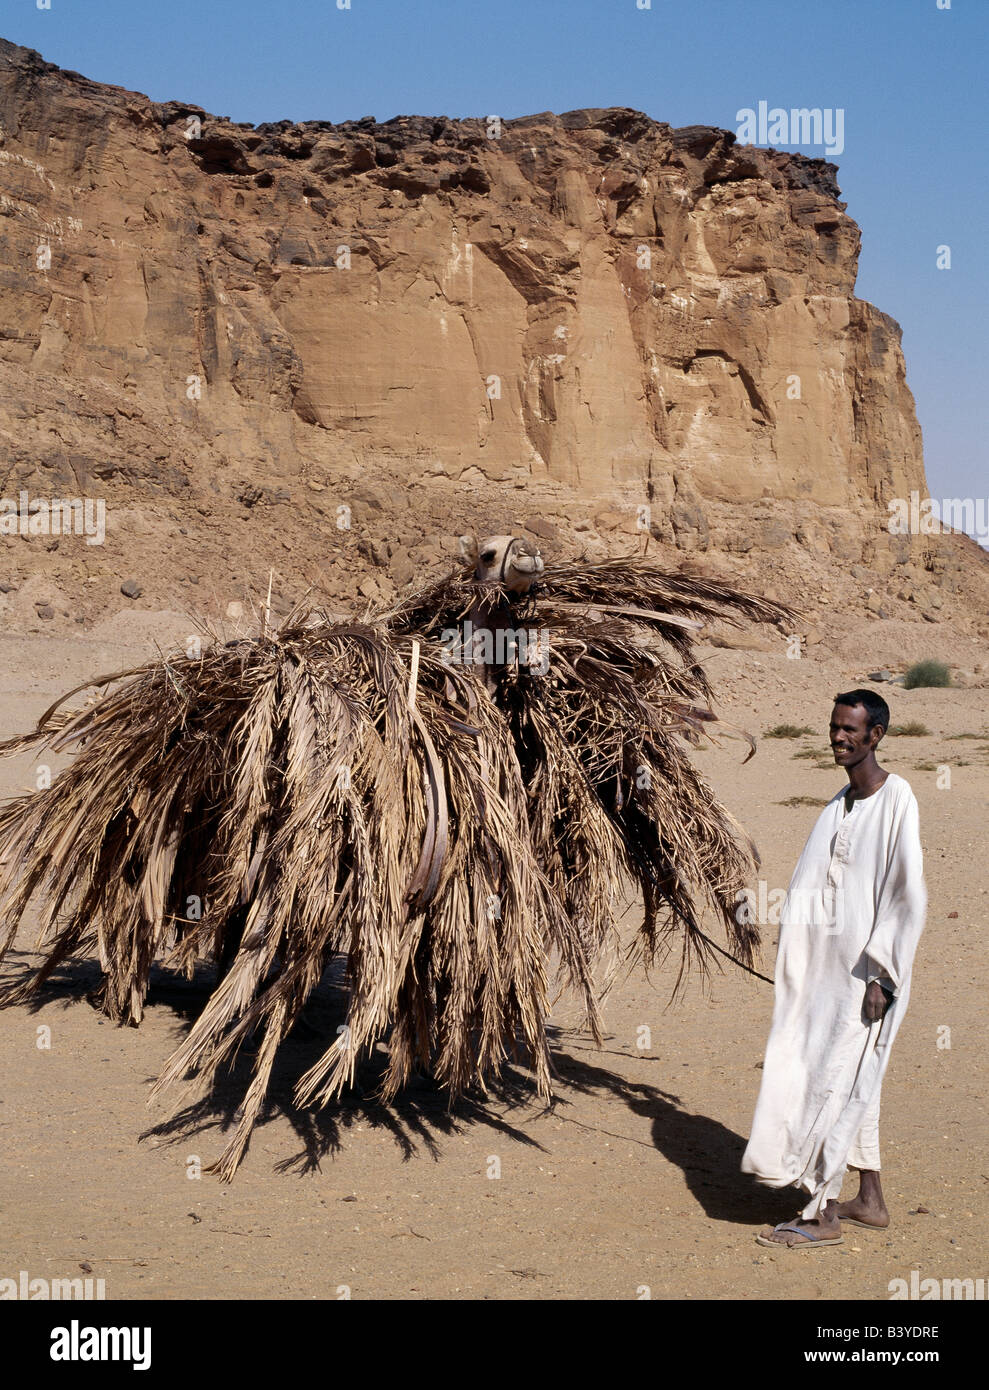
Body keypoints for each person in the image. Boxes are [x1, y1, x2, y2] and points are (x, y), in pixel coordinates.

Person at [741, 689, 927, 1248]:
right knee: (853, 1079)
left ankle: (822, 1213)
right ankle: (869, 1200)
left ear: (877, 736)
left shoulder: (898, 800)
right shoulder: (835, 806)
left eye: (851, 730)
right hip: (824, 976)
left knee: (838, 1079)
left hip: (868, 979)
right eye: (834, 727)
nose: (839, 738)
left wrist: (882, 976)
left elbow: (907, 894)